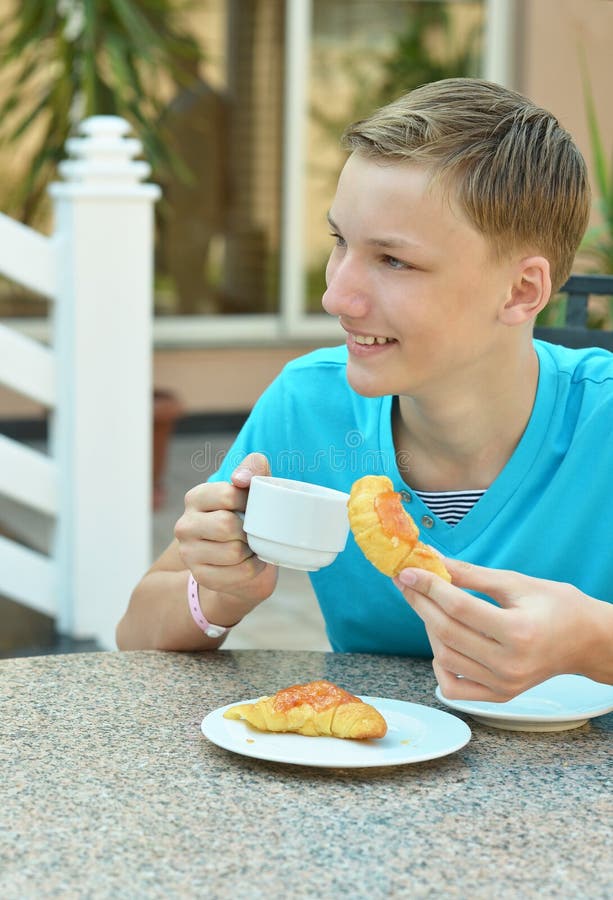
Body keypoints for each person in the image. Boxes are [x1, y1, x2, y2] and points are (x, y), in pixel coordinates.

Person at [117, 78, 613, 700]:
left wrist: (596, 641)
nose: (335, 297)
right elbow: (134, 637)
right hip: (374, 778)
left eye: (394, 261)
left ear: (521, 291)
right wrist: (214, 589)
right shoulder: (309, 409)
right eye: (339, 243)